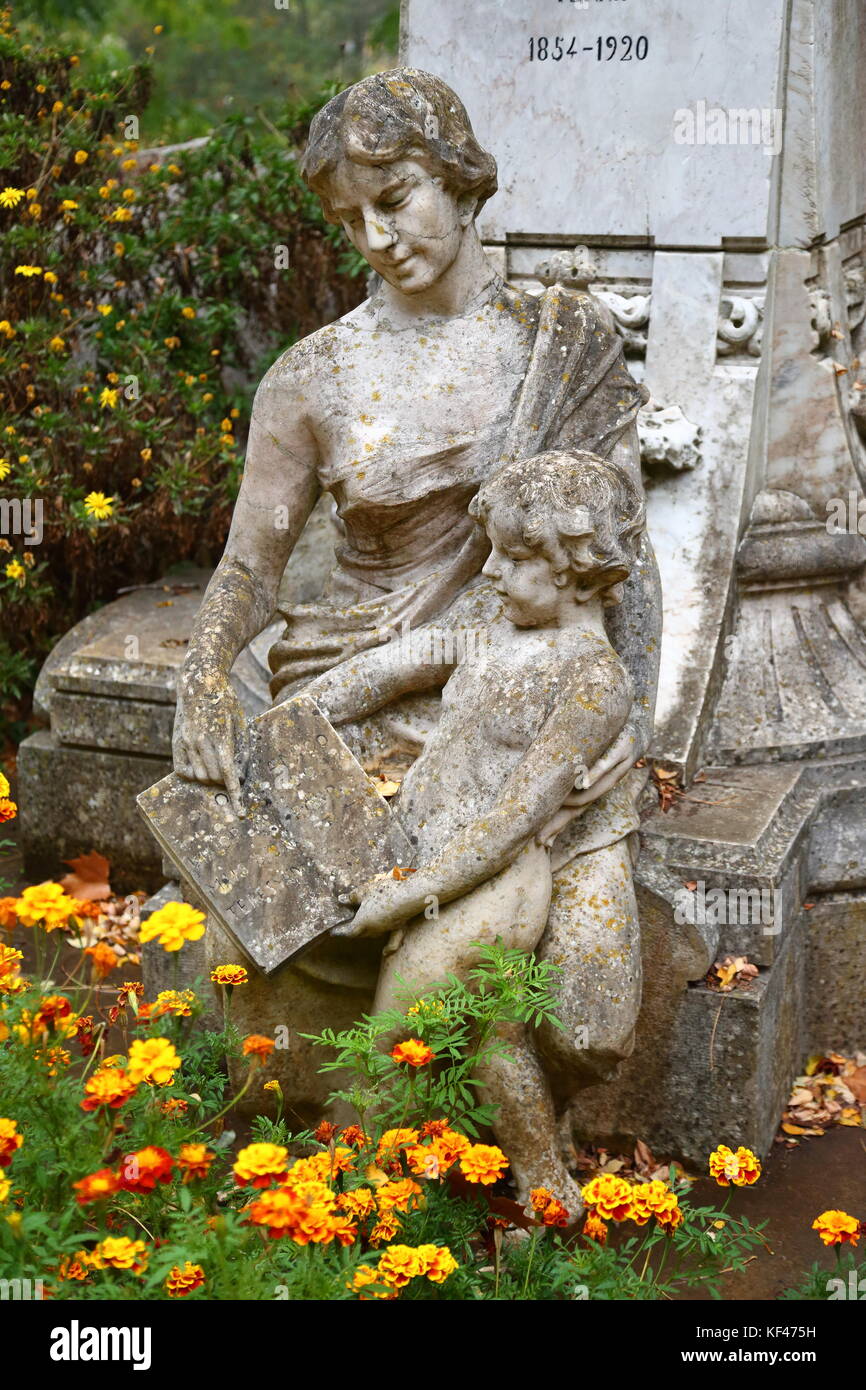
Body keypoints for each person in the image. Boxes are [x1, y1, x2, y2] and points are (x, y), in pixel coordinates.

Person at [171, 68, 660, 1120]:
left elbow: (627, 557)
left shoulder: (561, 341)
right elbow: (250, 568)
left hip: (522, 701)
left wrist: (631, 713)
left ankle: (453, 1143)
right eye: (349, 219)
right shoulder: (313, 376)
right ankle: (359, 1156)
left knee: (590, 1015)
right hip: (358, 690)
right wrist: (205, 674)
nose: (375, 238)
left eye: (393, 200)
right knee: (257, 932)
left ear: (459, 181)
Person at [301, 450, 641, 1204]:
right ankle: (549, 1192)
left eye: (513, 557)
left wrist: (411, 894)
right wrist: (294, 720)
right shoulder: (493, 635)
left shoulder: (592, 679)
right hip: (443, 871)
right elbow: (386, 670)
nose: (488, 573)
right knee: (495, 1045)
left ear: (573, 569)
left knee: (388, 1047)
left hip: (485, 887)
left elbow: (518, 815)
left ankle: (348, 1207)